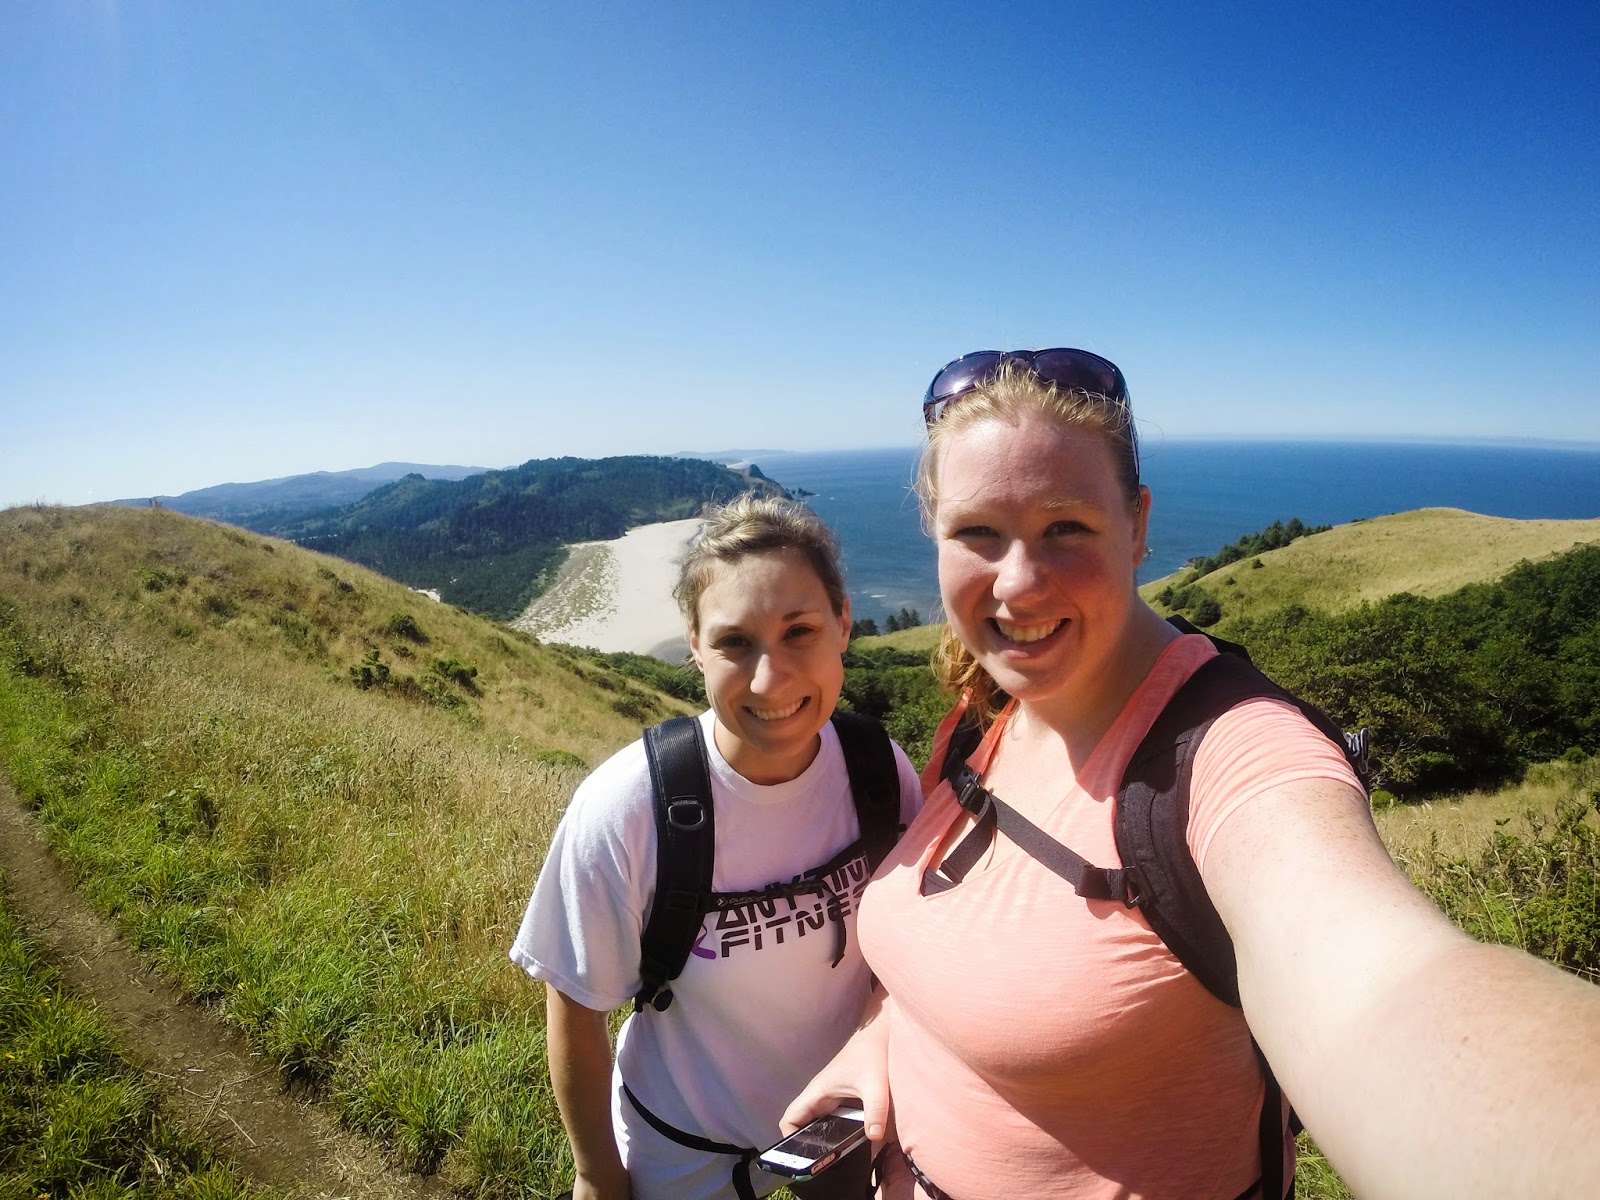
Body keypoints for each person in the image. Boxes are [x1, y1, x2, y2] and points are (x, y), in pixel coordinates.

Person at [783, 349, 1600, 1198]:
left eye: (1067, 528)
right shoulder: (986, 712)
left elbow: (1390, 990)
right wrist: (880, 1038)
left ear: (1137, 525)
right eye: (977, 533)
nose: (1018, 585)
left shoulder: (1233, 757)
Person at [511, 494, 923, 1200]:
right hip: (682, 1143)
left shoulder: (879, 772)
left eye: (800, 631)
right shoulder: (629, 807)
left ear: (843, 624)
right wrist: (595, 1174)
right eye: (735, 642)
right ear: (696, 647)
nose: (770, 679)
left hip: (837, 1122)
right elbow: (577, 1006)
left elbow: (907, 954)